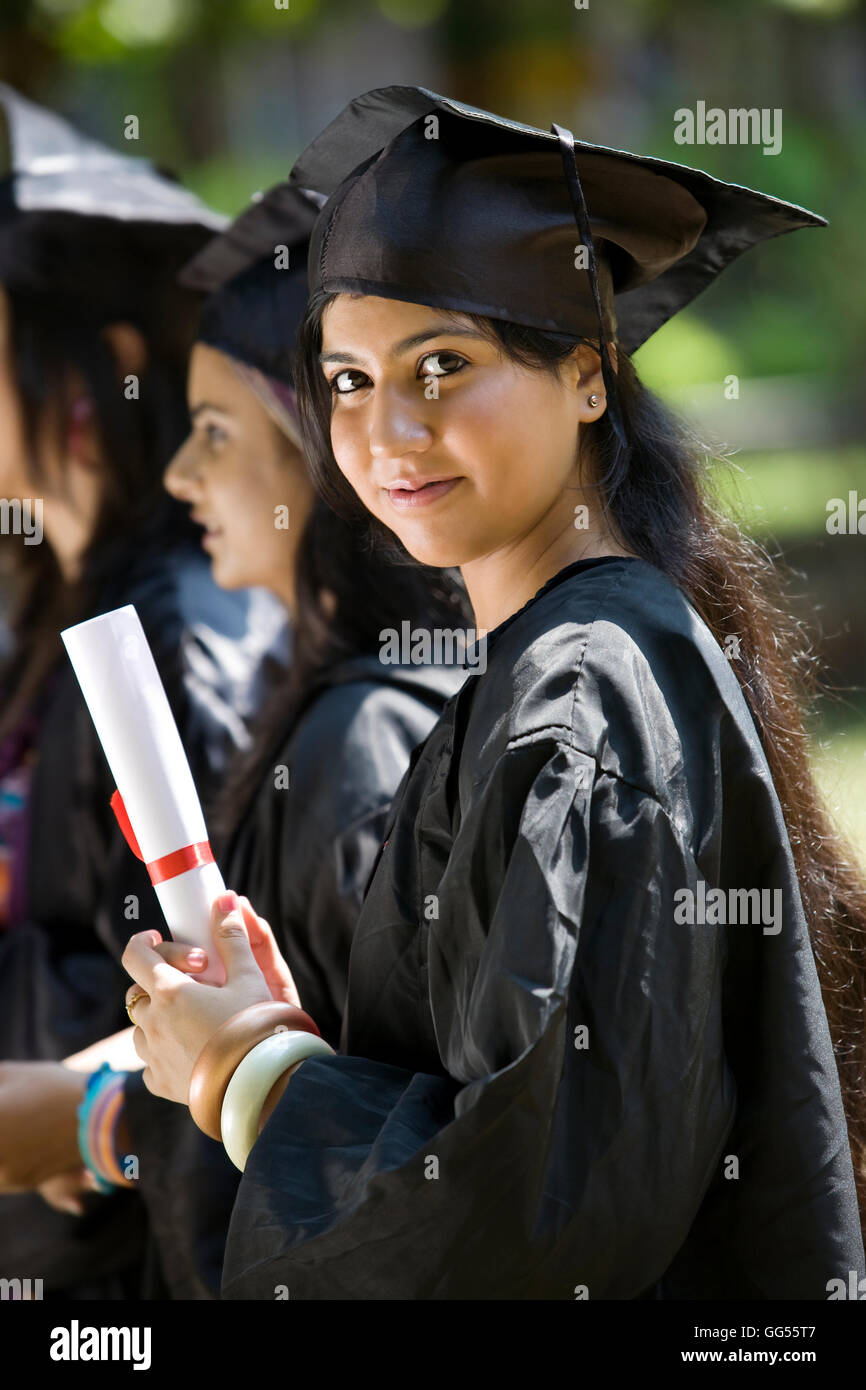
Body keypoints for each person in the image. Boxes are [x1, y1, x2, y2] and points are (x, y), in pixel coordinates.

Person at [123, 87, 866, 1299]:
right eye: (347, 379)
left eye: (444, 365)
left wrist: (248, 1072)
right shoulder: (560, 657)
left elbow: (537, 1211)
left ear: (587, 375)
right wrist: (284, 1021)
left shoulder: (585, 694)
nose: (385, 431)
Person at [1, 181, 469, 1298]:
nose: (179, 473)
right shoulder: (313, 706)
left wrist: (99, 1119)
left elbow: (372, 1113)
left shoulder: (353, 735)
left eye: (218, 435)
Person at [0, 84, 279, 1299]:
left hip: (128, 1262)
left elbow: (251, 959)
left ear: (94, 369)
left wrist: (88, 1115)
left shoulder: (173, 631)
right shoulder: (35, 603)